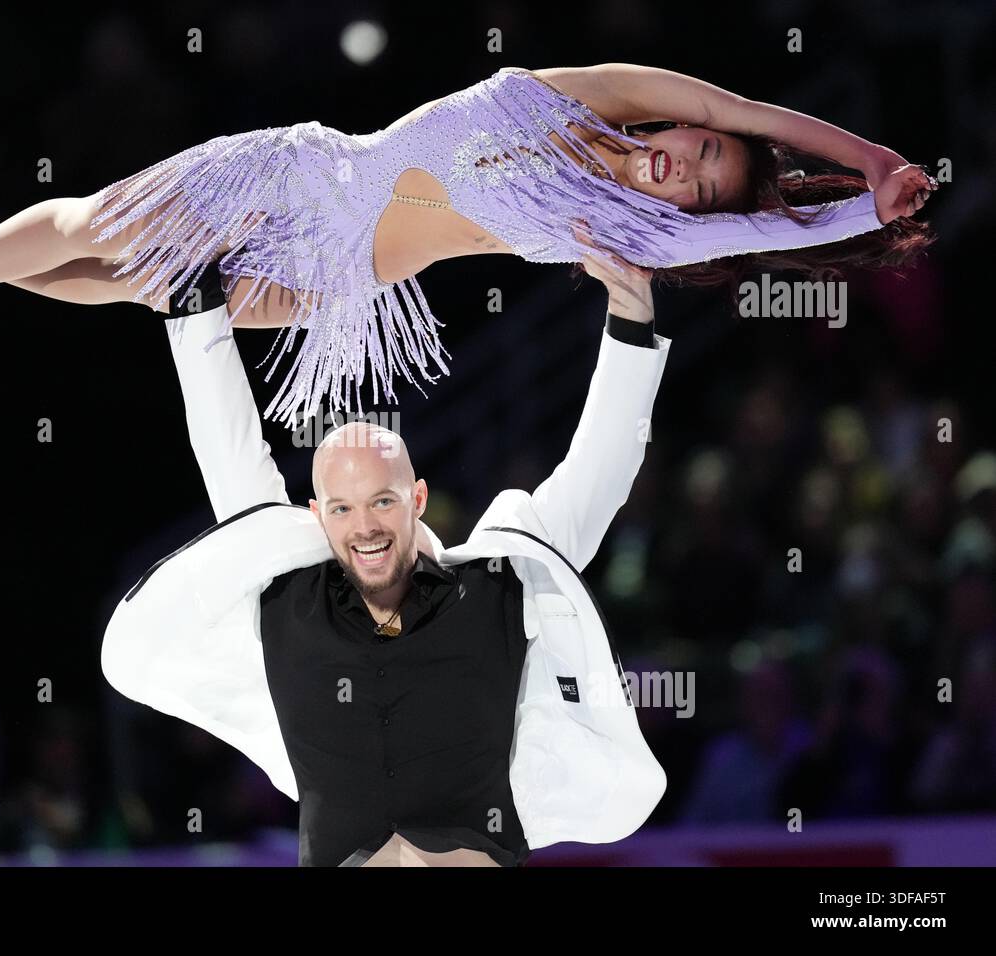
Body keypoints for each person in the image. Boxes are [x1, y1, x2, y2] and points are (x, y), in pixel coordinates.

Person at [0, 64, 934, 427]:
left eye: (705, 187)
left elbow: (792, 221)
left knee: (145, 292)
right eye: (700, 146)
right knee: (106, 226)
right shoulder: (590, 94)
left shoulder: (637, 226)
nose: (687, 161)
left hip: (345, 277)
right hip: (301, 174)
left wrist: (866, 207)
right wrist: (875, 152)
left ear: (694, 214)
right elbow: (755, 116)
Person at [101, 238, 670, 867]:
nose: (365, 526)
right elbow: (228, 454)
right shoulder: (285, 599)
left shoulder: (497, 588)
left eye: (382, 502)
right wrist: (196, 305)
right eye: (342, 508)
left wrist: (631, 312)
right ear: (317, 516)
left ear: (417, 498)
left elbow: (601, 470)